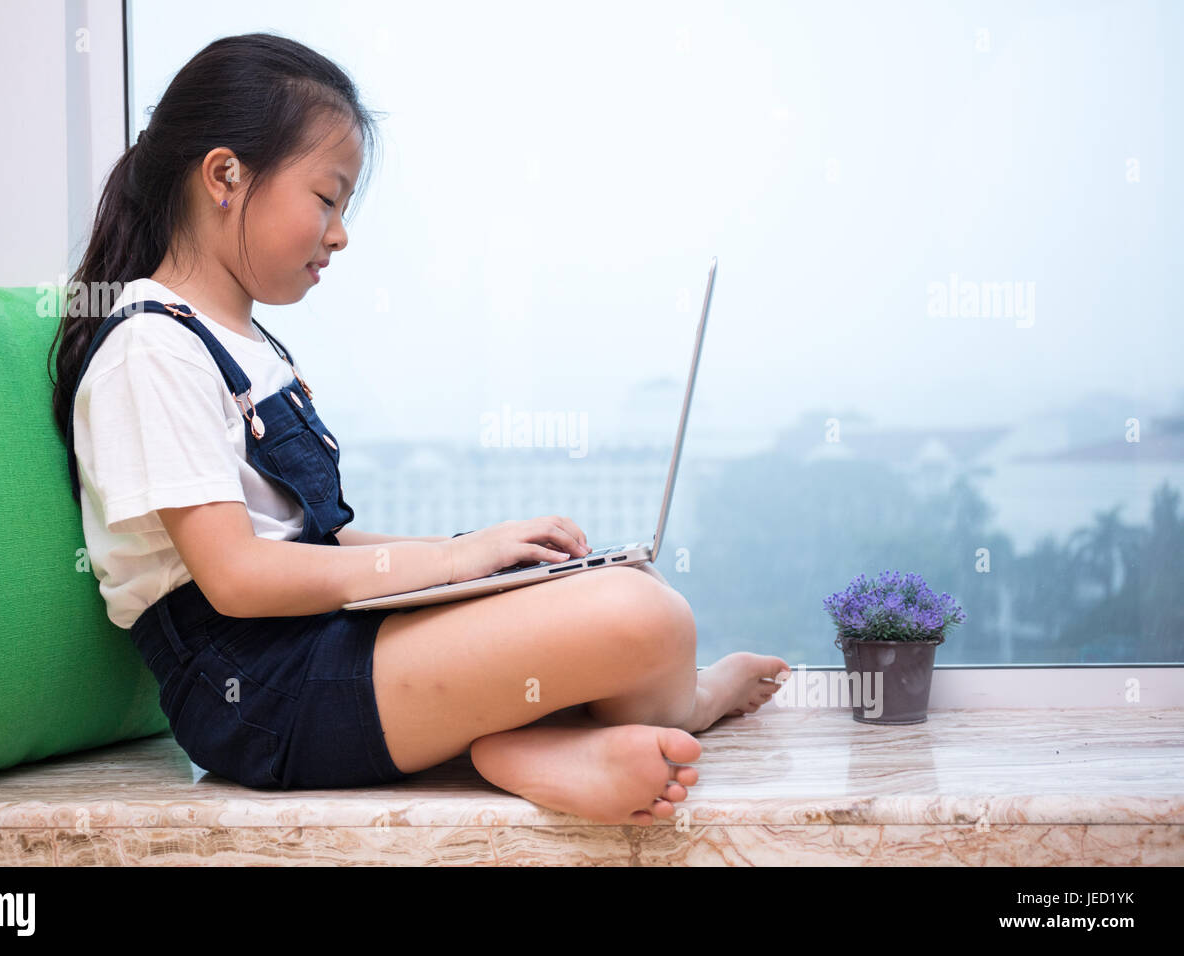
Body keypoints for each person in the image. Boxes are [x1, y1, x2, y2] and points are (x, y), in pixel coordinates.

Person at [49, 32, 790, 827]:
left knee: (624, 589)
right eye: (328, 199)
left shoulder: (249, 348)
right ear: (226, 176)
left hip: (319, 643)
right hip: (256, 692)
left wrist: (475, 558)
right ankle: (655, 709)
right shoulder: (150, 350)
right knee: (646, 620)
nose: (339, 234)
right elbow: (236, 577)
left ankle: (523, 743)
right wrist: (445, 561)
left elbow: (318, 547)